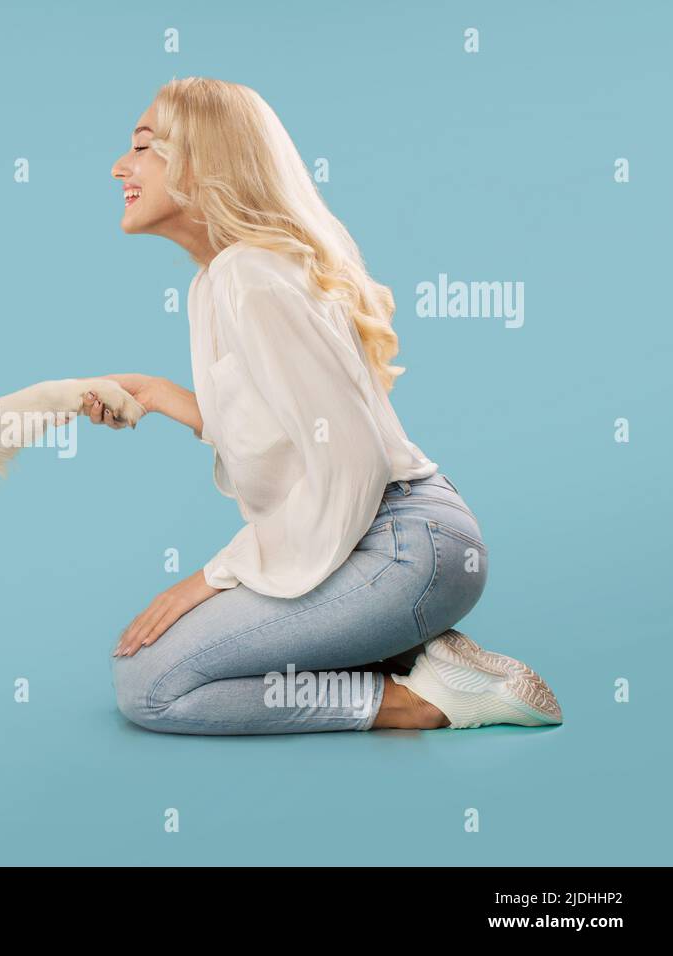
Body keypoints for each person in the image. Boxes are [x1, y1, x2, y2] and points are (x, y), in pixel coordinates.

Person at [86, 78, 562, 735]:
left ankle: (422, 702)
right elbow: (289, 434)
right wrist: (170, 399)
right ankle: (425, 657)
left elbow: (352, 462)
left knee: (150, 686)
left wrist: (216, 575)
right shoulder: (221, 280)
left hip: (399, 544)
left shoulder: (248, 277)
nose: (120, 165)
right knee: (153, 670)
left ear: (198, 162)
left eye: (143, 146)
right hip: (402, 538)